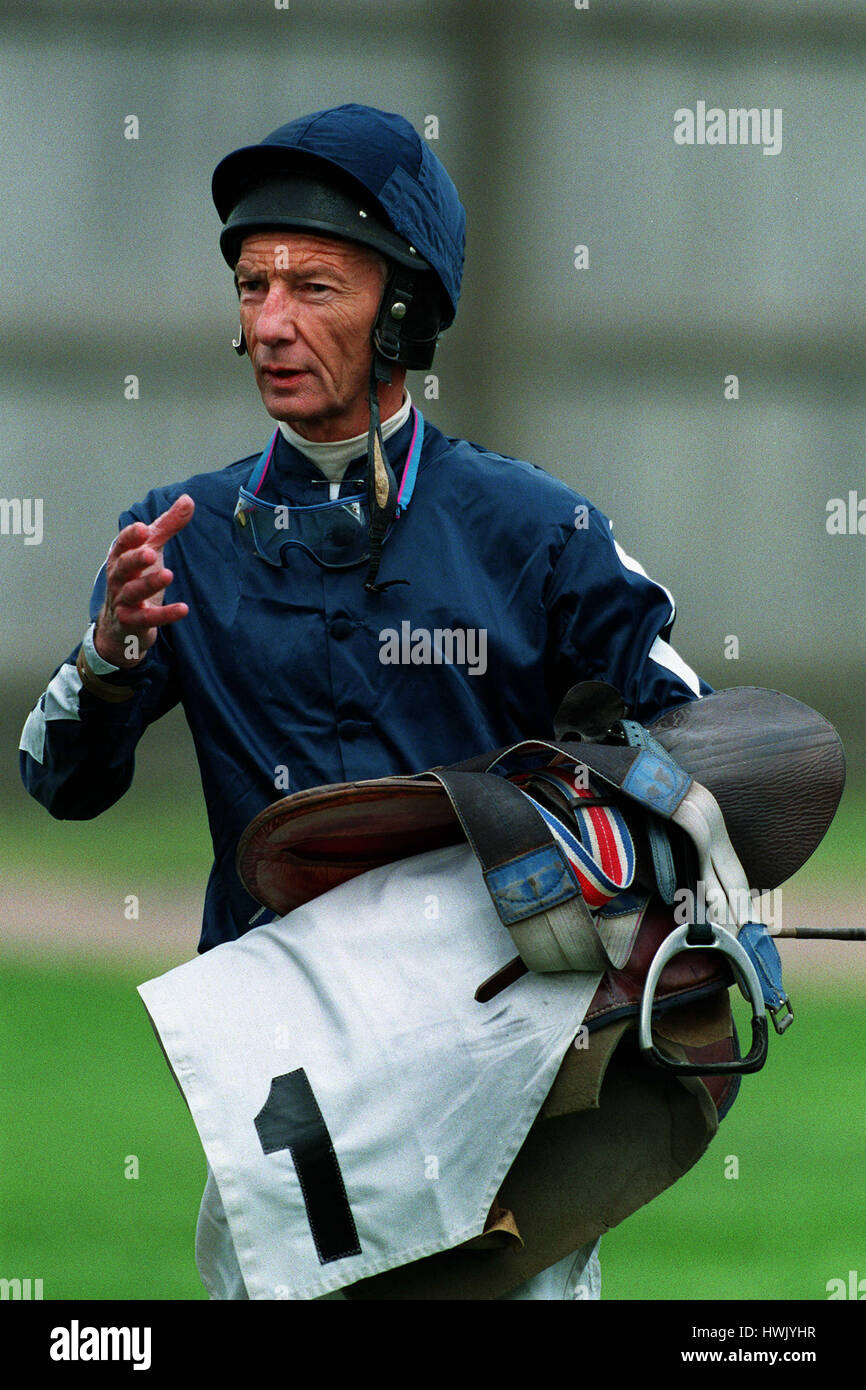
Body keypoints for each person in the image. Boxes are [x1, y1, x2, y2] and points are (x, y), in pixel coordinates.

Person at [19, 104, 711, 1300]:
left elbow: (688, 736)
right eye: (251, 286)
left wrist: (599, 825)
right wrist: (109, 652)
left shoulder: (533, 528)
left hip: (497, 1059)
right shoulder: (176, 540)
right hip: (280, 1077)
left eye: (313, 287)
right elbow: (64, 785)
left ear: (401, 312)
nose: (271, 324)